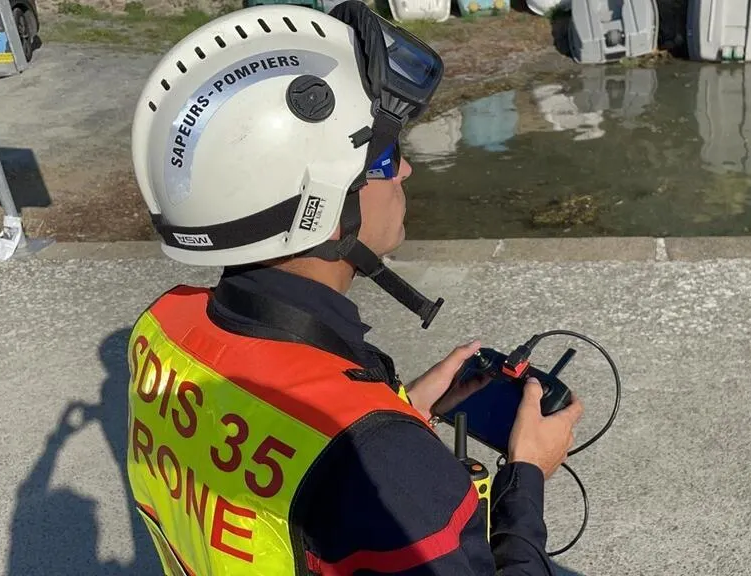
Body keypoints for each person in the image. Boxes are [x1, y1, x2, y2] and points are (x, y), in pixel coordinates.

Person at [124, 3, 584, 576]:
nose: (405, 171)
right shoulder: (385, 464)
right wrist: (526, 477)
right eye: (385, 158)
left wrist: (396, 410)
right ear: (320, 208)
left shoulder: (163, 332)